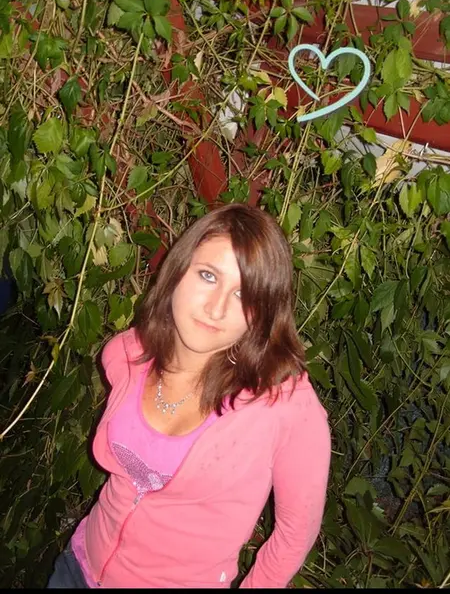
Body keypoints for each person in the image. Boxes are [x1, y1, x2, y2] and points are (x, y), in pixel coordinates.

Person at [47, 203, 331, 589]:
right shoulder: (128, 354)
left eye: (243, 294)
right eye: (208, 275)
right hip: (78, 567)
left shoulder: (284, 406)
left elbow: (295, 534)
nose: (216, 308)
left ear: (263, 312)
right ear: (178, 271)